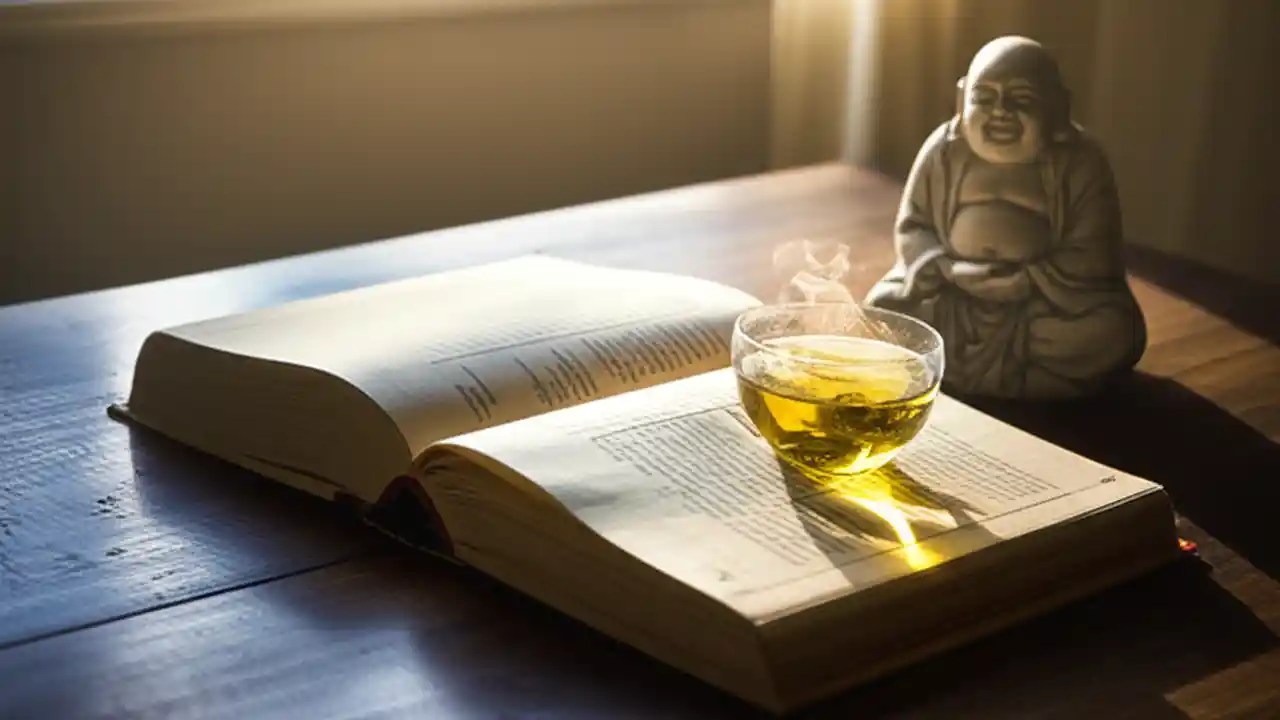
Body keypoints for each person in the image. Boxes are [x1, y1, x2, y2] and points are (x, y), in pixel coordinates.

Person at [866, 35, 1146, 399]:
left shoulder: (1081, 163)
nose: (1001, 112)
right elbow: (914, 224)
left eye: (1021, 100)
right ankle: (1005, 370)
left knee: (1114, 334)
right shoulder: (944, 150)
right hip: (953, 297)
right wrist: (946, 269)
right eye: (985, 98)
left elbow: (1092, 251)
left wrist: (1029, 281)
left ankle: (975, 367)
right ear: (961, 100)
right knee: (881, 310)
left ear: (1058, 109)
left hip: (1040, 306)